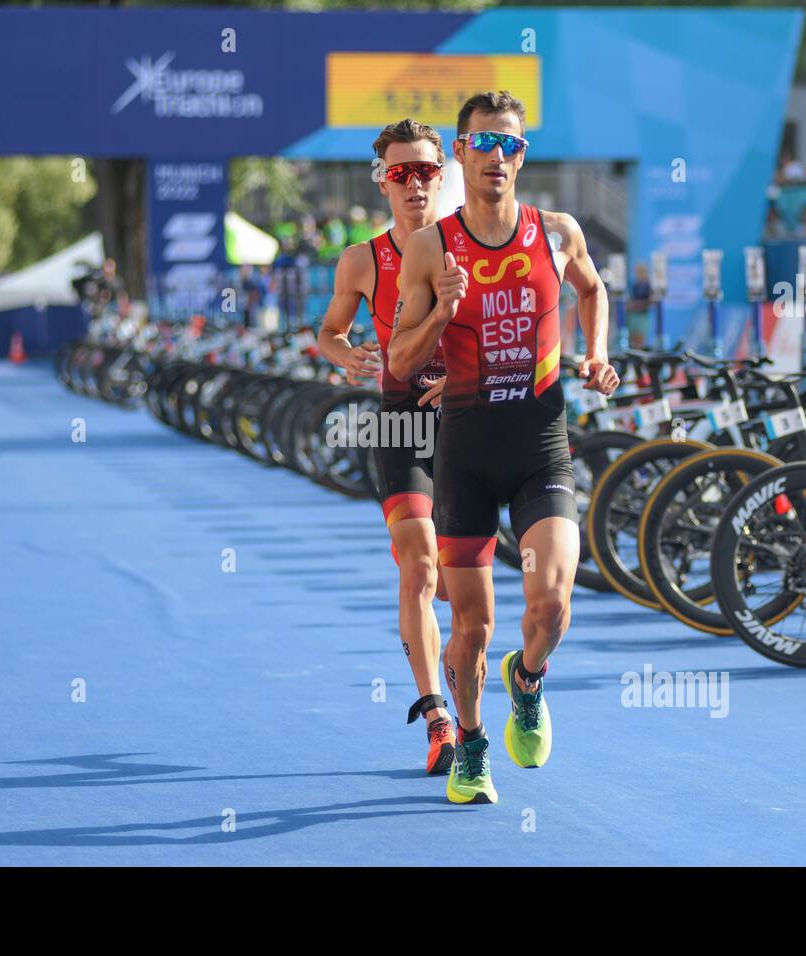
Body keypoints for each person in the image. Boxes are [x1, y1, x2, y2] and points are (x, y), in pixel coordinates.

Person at [389, 91, 619, 804]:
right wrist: (446, 312)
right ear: (460, 152)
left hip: (541, 444)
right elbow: (399, 359)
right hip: (465, 456)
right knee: (472, 625)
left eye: (509, 145)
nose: (496, 157)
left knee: (550, 607)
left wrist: (597, 353)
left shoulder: (557, 231)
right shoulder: (431, 248)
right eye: (482, 143)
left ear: (523, 156)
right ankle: (473, 743)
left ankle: (529, 681)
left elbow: (593, 289)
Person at [316, 118, 455, 775]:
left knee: (458, 587)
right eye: (401, 173)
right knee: (418, 565)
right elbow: (330, 330)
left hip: (466, 422)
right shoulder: (362, 260)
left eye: (426, 171)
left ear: (442, 175)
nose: (415, 184)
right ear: (383, 182)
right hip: (399, 421)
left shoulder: (467, 247)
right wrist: (345, 353)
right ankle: (437, 720)